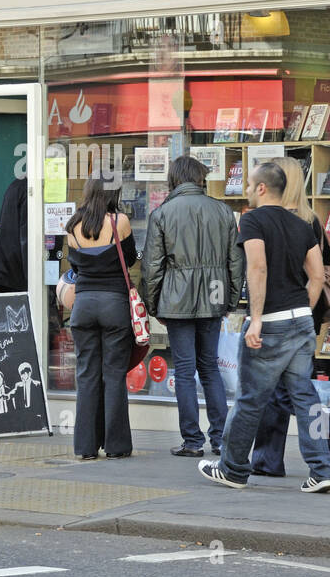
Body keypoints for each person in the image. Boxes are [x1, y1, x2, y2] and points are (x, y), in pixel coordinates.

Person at [197, 161, 330, 493]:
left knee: (249, 398)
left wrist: (256, 319)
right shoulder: (302, 223)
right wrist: (302, 311)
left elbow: (257, 268)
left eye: (248, 185)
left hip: (269, 322)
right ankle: (323, 468)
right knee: (302, 396)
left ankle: (232, 469)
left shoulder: (253, 220)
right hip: (299, 321)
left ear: (261, 188)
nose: (245, 190)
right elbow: (316, 275)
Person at [249, 155, 330, 478]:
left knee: (287, 391)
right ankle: (267, 459)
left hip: (284, 317)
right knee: (279, 391)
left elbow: (271, 269)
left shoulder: (282, 221)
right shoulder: (309, 219)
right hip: (303, 316)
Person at [141, 155, 244, 459]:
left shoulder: (162, 214)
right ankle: (221, 439)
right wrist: (231, 300)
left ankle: (192, 440)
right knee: (209, 367)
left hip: (176, 301)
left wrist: (153, 302)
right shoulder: (223, 211)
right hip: (214, 298)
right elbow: (235, 262)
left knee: (185, 370)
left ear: (173, 179)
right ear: (200, 178)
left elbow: (152, 266)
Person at [65, 175, 136, 460]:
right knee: (114, 374)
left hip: (82, 305)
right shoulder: (120, 222)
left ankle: (85, 447)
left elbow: (75, 265)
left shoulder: (72, 226)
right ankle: (117, 446)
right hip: (114, 304)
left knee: (86, 375)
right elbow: (130, 259)